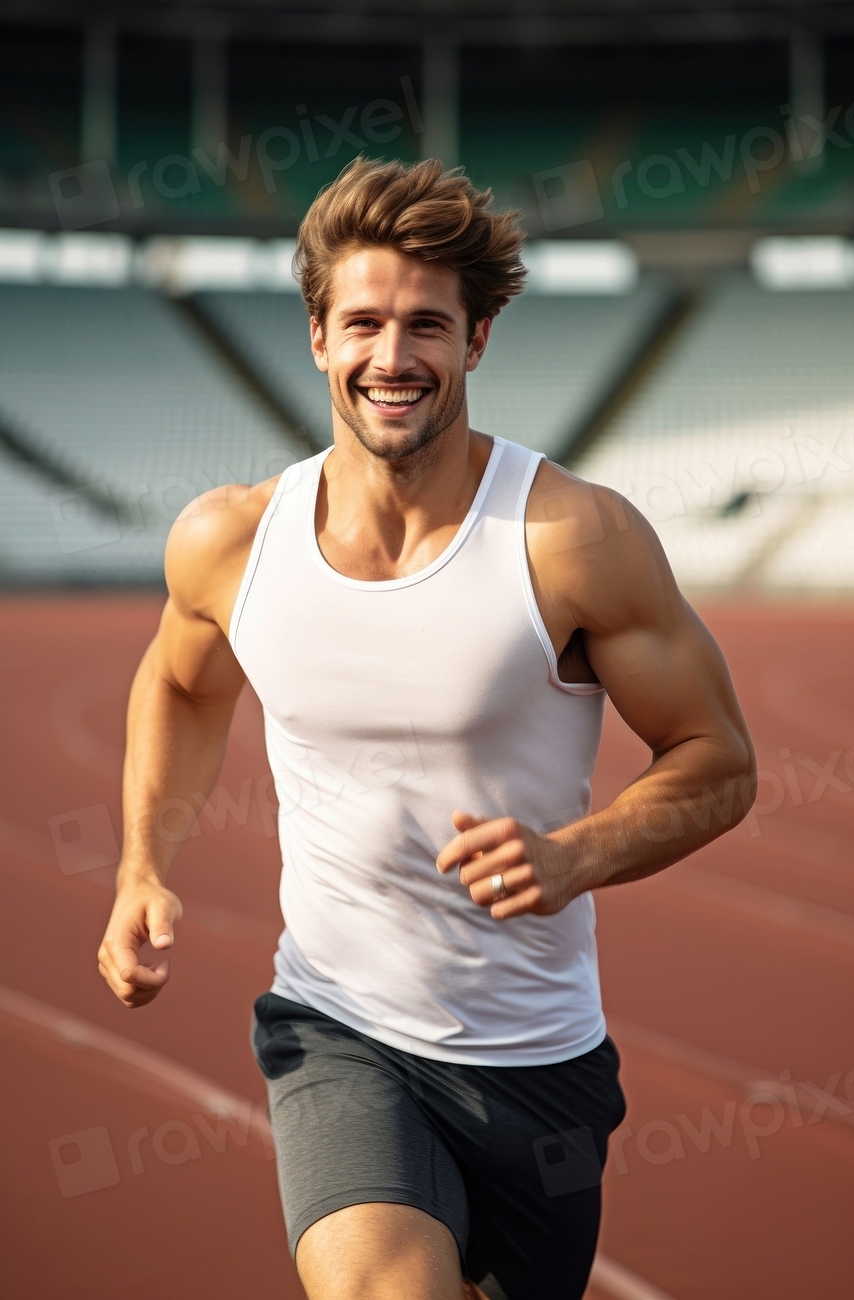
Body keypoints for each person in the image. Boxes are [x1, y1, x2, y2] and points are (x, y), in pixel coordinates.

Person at [98, 157, 755, 1300]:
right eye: (362, 323)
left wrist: (574, 854)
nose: (390, 357)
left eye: (425, 326)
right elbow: (184, 683)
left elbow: (720, 761)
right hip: (336, 1025)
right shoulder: (233, 542)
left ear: (477, 339)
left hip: (537, 1069)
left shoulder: (571, 538)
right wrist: (142, 865)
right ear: (316, 336)